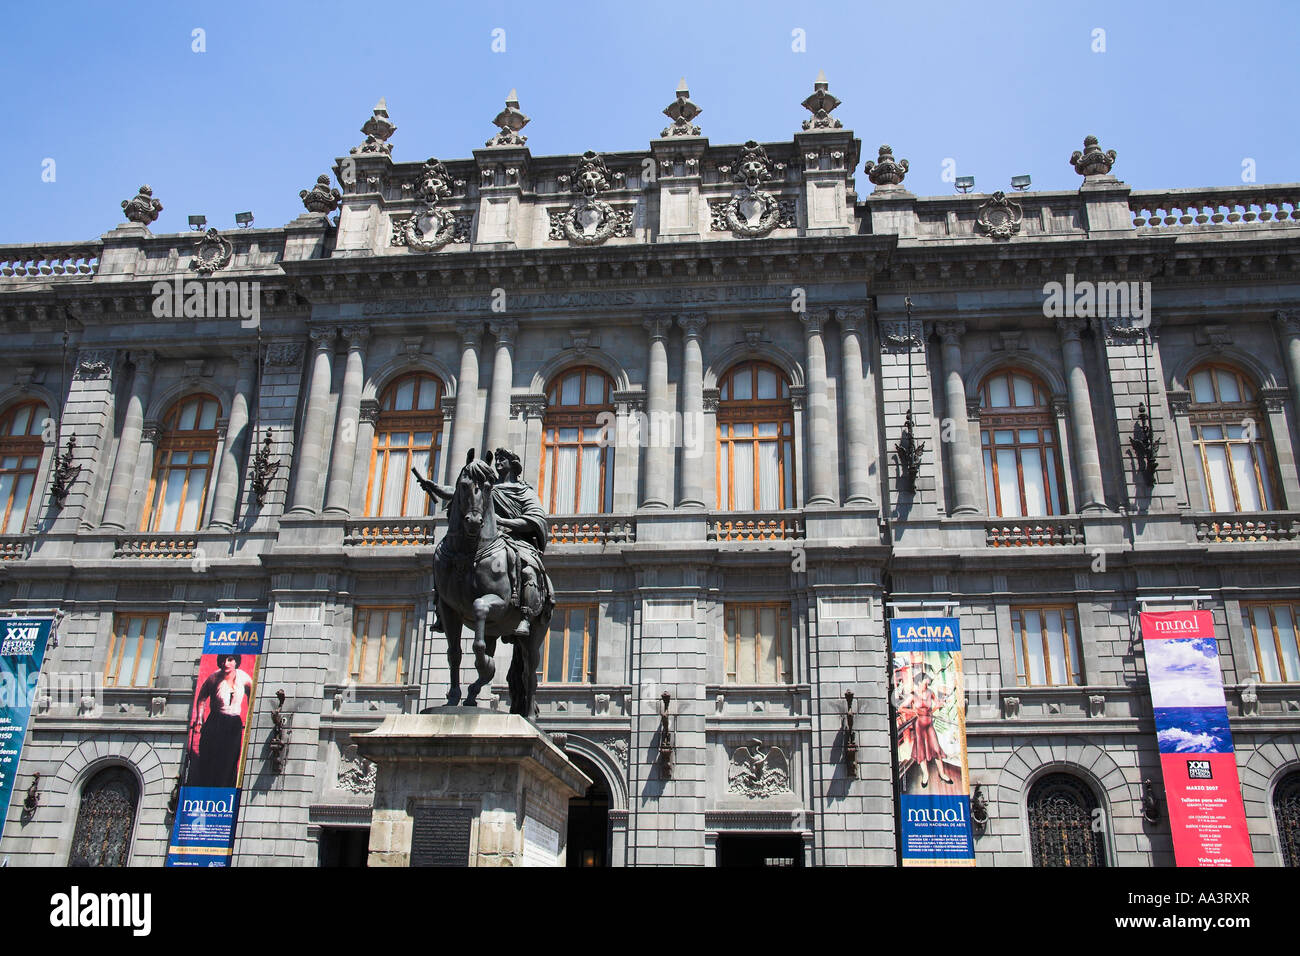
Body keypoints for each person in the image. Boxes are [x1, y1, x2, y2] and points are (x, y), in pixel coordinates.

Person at [412, 447, 552, 629]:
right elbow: (460, 492)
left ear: (513, 464)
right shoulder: (488, 488)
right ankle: (442, 608)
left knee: (528, 567)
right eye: (498, 459)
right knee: (444, 561)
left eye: (504, 459)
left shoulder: (523, 491)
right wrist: (434, 487)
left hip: (515, 538)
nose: (499, 462)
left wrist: (504, 522)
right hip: (488, 538)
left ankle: (525, 614)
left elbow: (534, 520)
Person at [189, 654, 254, 788]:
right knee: (210, 758)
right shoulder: (214, 678)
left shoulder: (244, 678)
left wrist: (251, 717)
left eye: (230, 660)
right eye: (223, 660)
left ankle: (225, 788)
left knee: (229, 760)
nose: (226, 663)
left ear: (236, 662)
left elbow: (253, 697)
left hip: (234, 724)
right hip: (216, 721)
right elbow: (201, 698)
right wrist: (199, 719)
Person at [901, 671, 955, 789]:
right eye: (926, 680)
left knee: (936, 748)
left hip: (929, 724)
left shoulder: (931, 692)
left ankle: (942, 774)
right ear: (920, 681)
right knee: (921, 751)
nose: (928, 682)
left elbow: (935, 706)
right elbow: (901, 708)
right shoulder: (913, 695)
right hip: (919, 726)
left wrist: (939, 705)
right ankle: (925, 775)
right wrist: (913, 712)